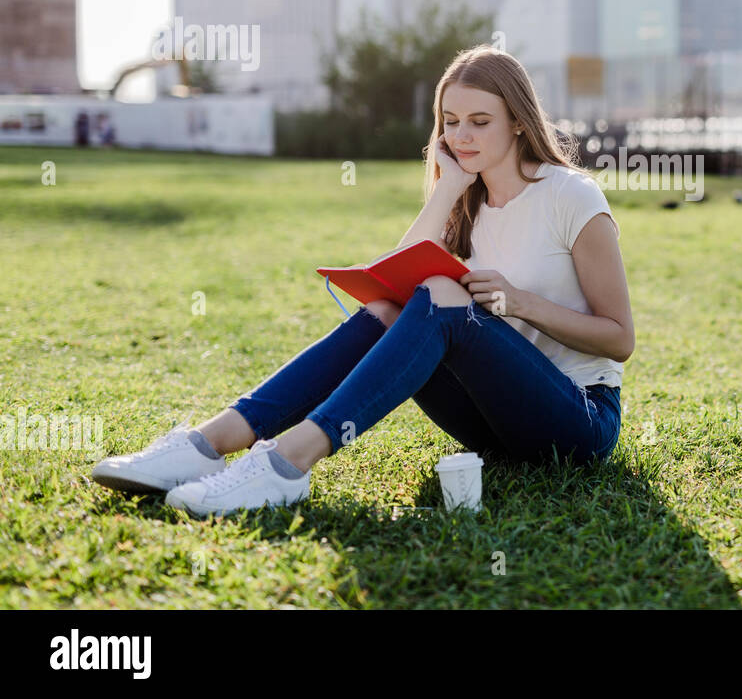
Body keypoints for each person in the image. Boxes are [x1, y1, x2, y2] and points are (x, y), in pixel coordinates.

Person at [91, 45, 634, 515]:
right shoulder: (464, 202)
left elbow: (619, 338)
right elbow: (400, 293)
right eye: (450, 121)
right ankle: (206, 444)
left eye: (479, 121)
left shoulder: (570, 196)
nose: (461, 135)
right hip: (494, 427)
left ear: (518, 120)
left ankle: (287, 463)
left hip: (578, 421)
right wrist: (447, 189)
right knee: (386, 311)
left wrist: (520, 303)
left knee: (442, 294)